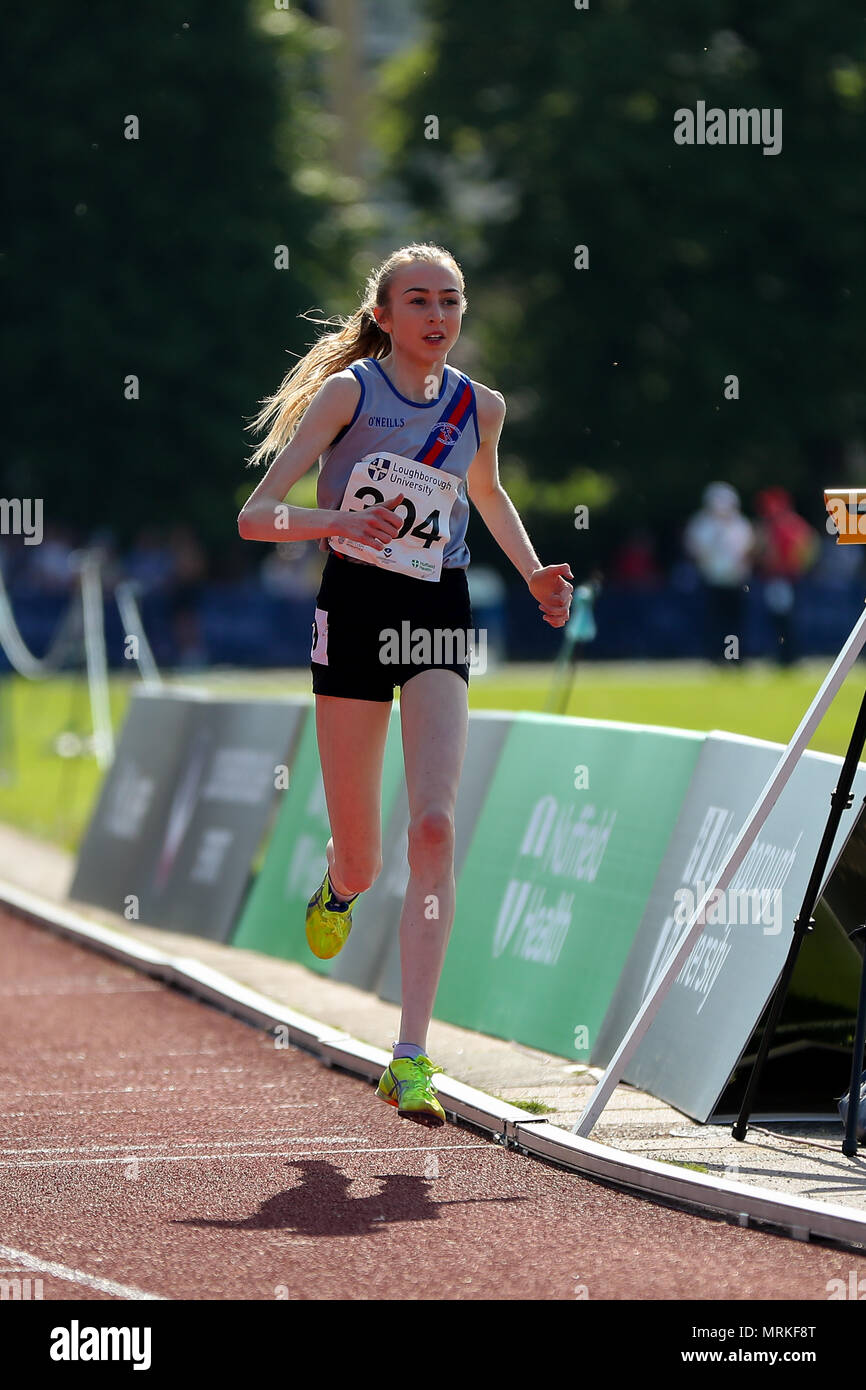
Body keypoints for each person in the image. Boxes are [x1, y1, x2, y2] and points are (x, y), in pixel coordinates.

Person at [237, 242, 573, 1126]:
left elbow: (488, 495)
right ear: (383, 315)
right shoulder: (349, 394)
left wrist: (535, 574)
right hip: (350, 608)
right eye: (417, 300)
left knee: (433, 824)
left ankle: (411, 1054)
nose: (436, 314)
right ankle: (340, 886)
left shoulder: (480, 405)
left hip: (437, 607)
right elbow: (256, 515)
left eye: (450, 300)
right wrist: (340, 518)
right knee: (365, 853)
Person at [683, 482, 754, 664]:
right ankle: (715, 657)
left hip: (735, 580)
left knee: (735, 623)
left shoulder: (740, 524)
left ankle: (735, 658)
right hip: (712, 580)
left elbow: (748, 551)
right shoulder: (702, 524)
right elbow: (695, 549)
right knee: (714, 622)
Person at [753, 486, 818, 666]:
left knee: (784, 619)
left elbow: (803, 548)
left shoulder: (784, 525)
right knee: (782, 619)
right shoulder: (787, 524)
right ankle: (786, 655)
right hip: (783, 578)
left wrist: (791, 566)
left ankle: (787, 656)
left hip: (784, 578)